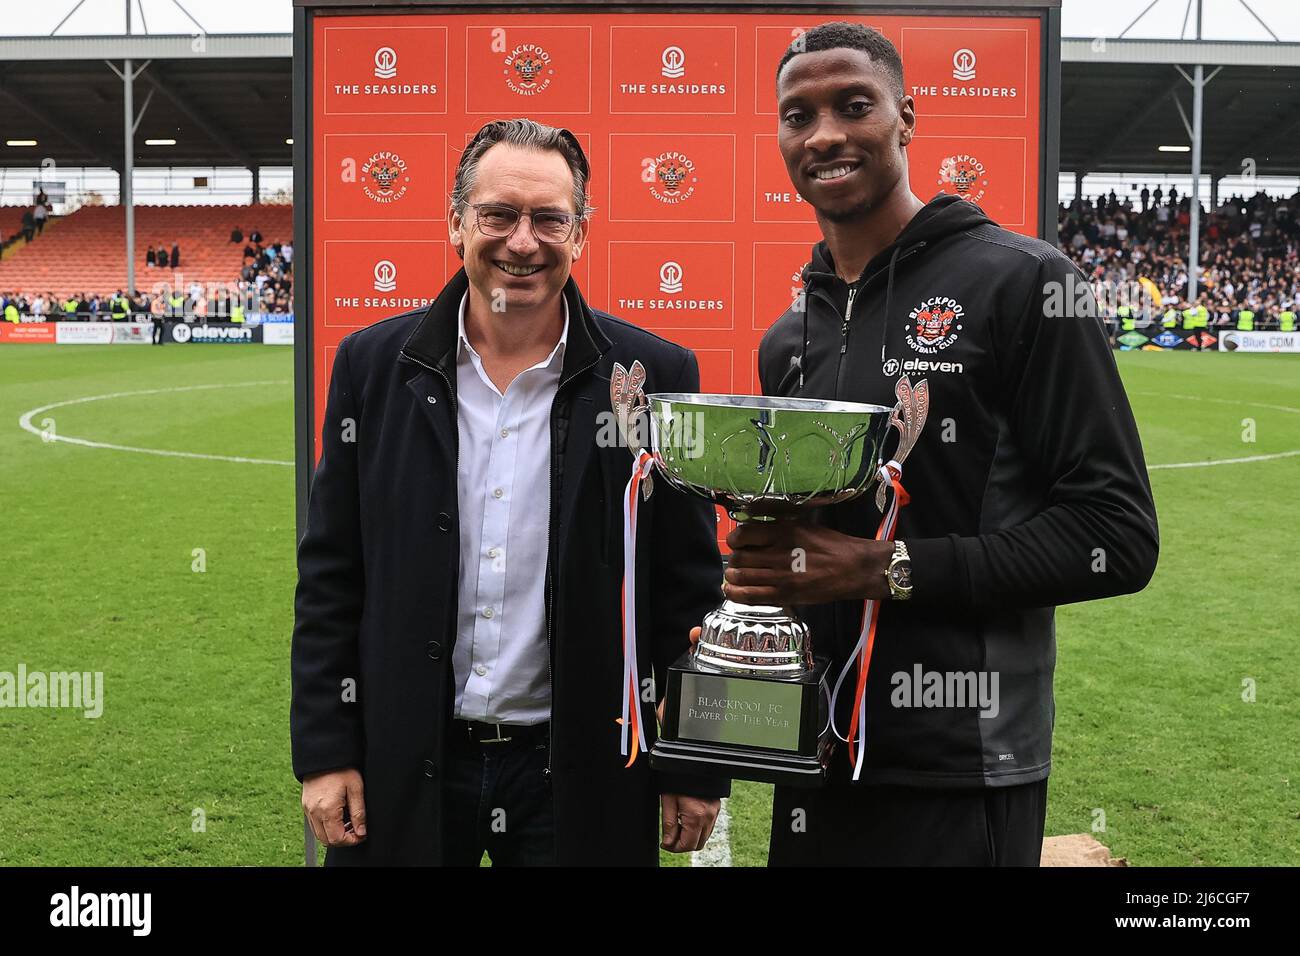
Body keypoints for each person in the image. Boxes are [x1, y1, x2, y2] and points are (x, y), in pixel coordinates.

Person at [735, 22, 1159, 867]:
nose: (824, 134)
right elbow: (808, 550)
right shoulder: (794, 332)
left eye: (853, 105)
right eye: (798, 115)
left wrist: (877, 570)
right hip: (813, 760)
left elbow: (1116, 535)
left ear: (906, 118)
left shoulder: (1024, 282)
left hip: (960, 768)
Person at [291, 118, 727, 866]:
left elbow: (688, 586)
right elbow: (333, 576)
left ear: (580, 234)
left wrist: (695, 761)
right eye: (498, 214)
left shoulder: (655, 375)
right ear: (457, 223)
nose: (521, 241)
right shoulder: (373, 366)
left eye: (549, 219)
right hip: (410, 758)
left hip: (586, 768)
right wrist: (327, 750)